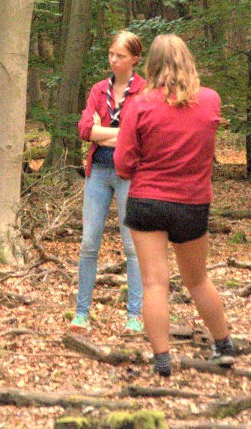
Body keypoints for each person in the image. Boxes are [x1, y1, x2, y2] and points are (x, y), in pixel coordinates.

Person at [114, 34, 235, 377]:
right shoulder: (211, 100)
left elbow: (123, 162)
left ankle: (162, 359)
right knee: (197, 279)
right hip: (192, 201)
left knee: (155, 283)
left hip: (148, 199)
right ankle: (224, 344)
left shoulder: (138, 104)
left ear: (150, 64)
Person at [72, 31, 146, 335]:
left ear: (135, 59)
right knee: (89, 243)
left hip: (130, 174)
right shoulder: (98, 89)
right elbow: (85, 129)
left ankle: (134, 316)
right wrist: (119, 135)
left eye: (120, 56)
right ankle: (81, 314)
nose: (113, 60)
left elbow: (142, 134)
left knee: (132, 246)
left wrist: (106, 133)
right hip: (98, 172)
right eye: (111, 54)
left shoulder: (144, 91)